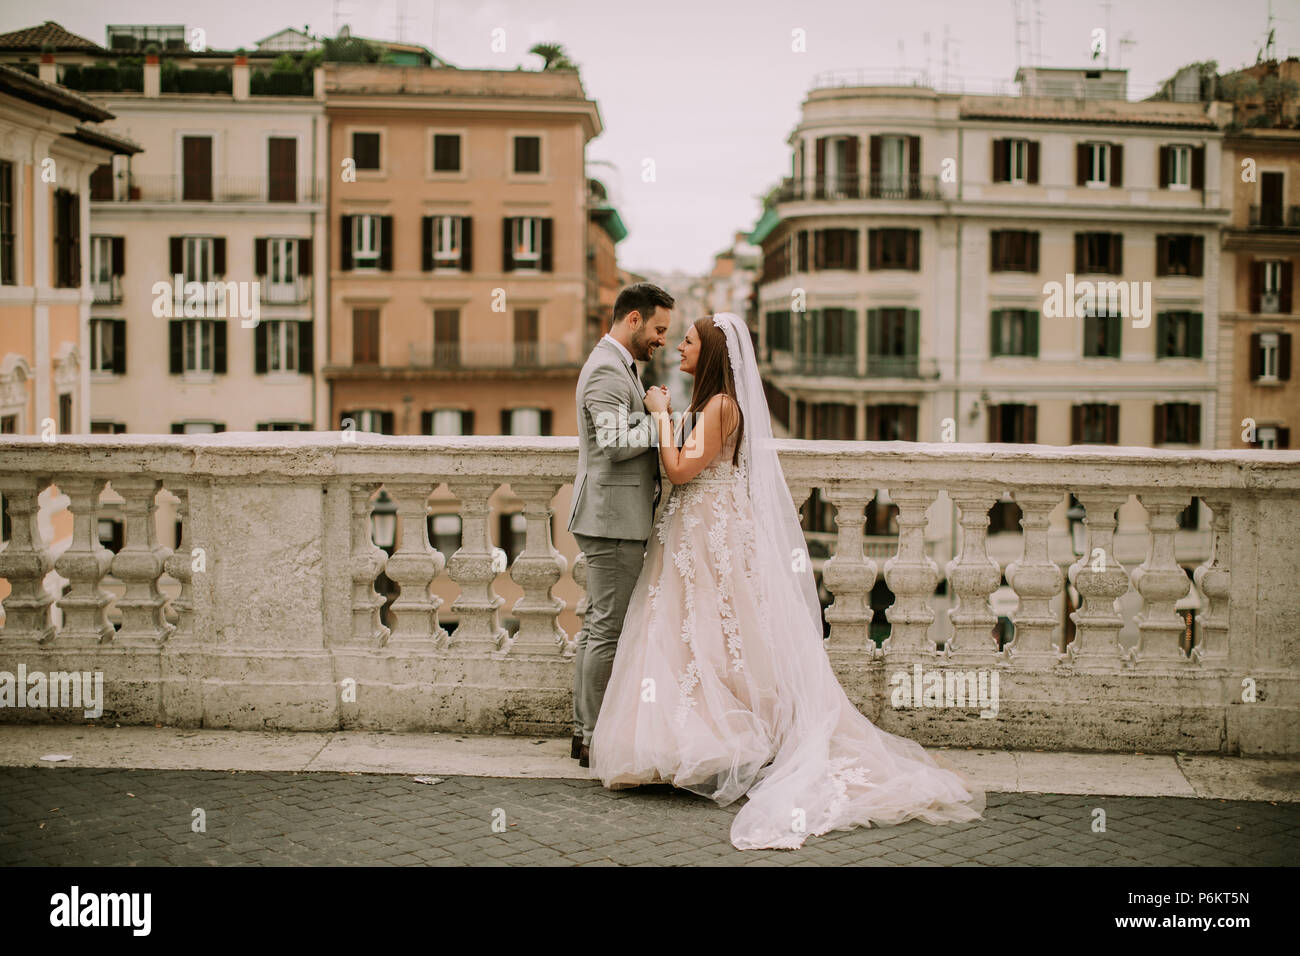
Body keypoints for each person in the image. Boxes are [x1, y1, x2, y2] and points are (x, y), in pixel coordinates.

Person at [588, 312, 985, 850]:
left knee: (721, 630)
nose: (678, 348)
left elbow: (681, 469)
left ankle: (731, 737)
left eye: (687, 342)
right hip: (690, 530)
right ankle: (678, 740)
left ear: (711, 354)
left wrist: (659, 414)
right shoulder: (708, 404)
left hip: (712, 531)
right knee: (686, 632)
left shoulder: (723, 405)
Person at [566, 282, 673, 768]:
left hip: (613, 515)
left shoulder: (617, 365)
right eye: (658, 329)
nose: (662, 340)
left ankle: (584, 731)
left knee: (598, 626)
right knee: (607, 628)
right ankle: (590, 735)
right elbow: (612, 443)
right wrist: (661, 417)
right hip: (611, 520)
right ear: (634, 319)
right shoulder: (607, 370)